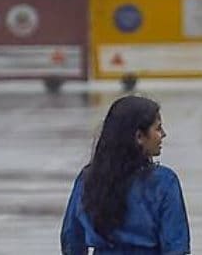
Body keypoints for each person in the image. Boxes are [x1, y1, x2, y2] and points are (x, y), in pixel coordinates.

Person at [60, 95, 190, 255]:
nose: (163, 134)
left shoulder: (88, 179)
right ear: (139, 137)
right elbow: (176, 245)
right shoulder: (163, 182)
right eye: (158, 128)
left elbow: (72, 240)